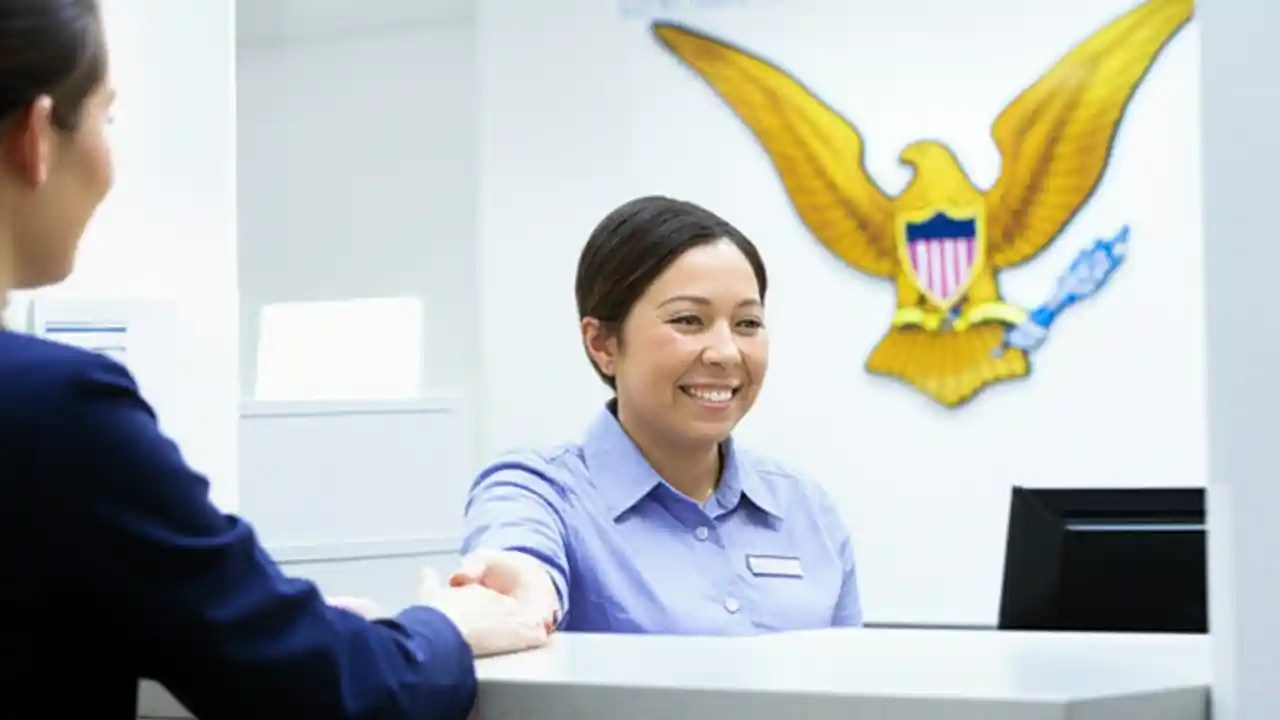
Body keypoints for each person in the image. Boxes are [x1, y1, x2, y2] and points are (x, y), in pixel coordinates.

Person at [0, 2, 546, 718]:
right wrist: (443, 628)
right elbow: (324, 692)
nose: (111, 164)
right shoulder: (57, 409)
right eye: (106, 118)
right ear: (38, 137)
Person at [452, 195, 862, 635]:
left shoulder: (806, 509)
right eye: (688, 320)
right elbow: (518, 557)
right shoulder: (540, 492)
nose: (726, 352)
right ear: (603, 344)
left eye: (747, 323)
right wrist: (523, 588)